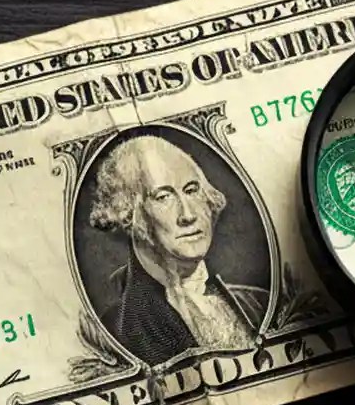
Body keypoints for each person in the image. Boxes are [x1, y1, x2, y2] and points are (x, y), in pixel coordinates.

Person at [88, 135, 268, 366]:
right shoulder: (114, 333)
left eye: (192, 190)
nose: (188, 215)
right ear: (127, 213)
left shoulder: (256, 302)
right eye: (163, 197)